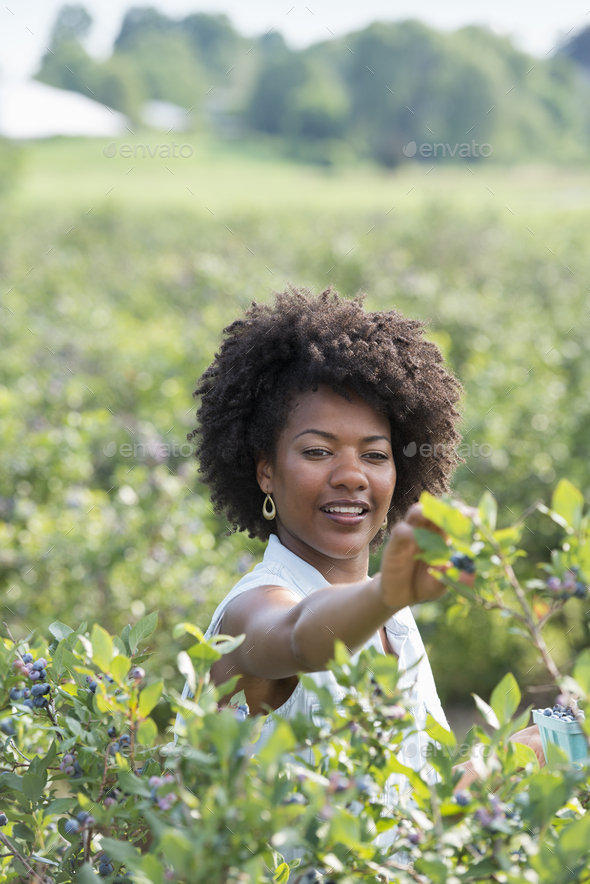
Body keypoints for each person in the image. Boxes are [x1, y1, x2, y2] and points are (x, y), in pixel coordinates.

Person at [173, 285, 542, 873]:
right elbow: (296, 637)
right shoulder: (253, 609)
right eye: (318, 453)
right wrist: (385, 591)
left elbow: (414, 818)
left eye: (375, 455)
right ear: (265, 471)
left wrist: (513, 762)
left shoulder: (394, 622)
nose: (352, 476)